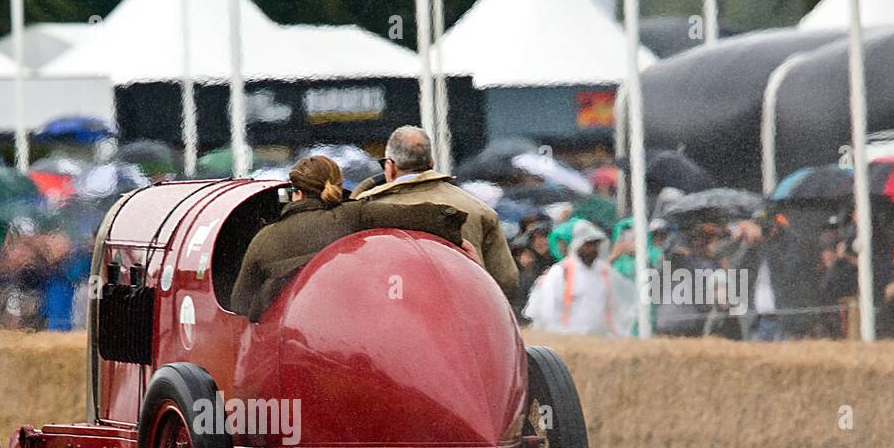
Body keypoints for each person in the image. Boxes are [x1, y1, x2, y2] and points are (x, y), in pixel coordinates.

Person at [229, 155, 468, 321]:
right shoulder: (355, 215)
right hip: (352, 326)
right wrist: (457, 234)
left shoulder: (265, 238)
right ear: (337, 185)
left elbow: (240, 303)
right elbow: (427, 216)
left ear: (296, 193)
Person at [351, 125, 519, 296]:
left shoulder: (363, 209)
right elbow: (506, 281)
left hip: (393, 314)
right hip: (461, 313)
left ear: (390, 167)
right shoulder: (478, 208)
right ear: (431, 163)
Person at [524, 220, 634, 337]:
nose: (592, 249)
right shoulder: (560, 272)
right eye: (588, 244)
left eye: (595, 244)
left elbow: (619, 306)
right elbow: (548, 310)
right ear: (577, 244)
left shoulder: (604, 272)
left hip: (599, 342)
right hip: (568, 341)